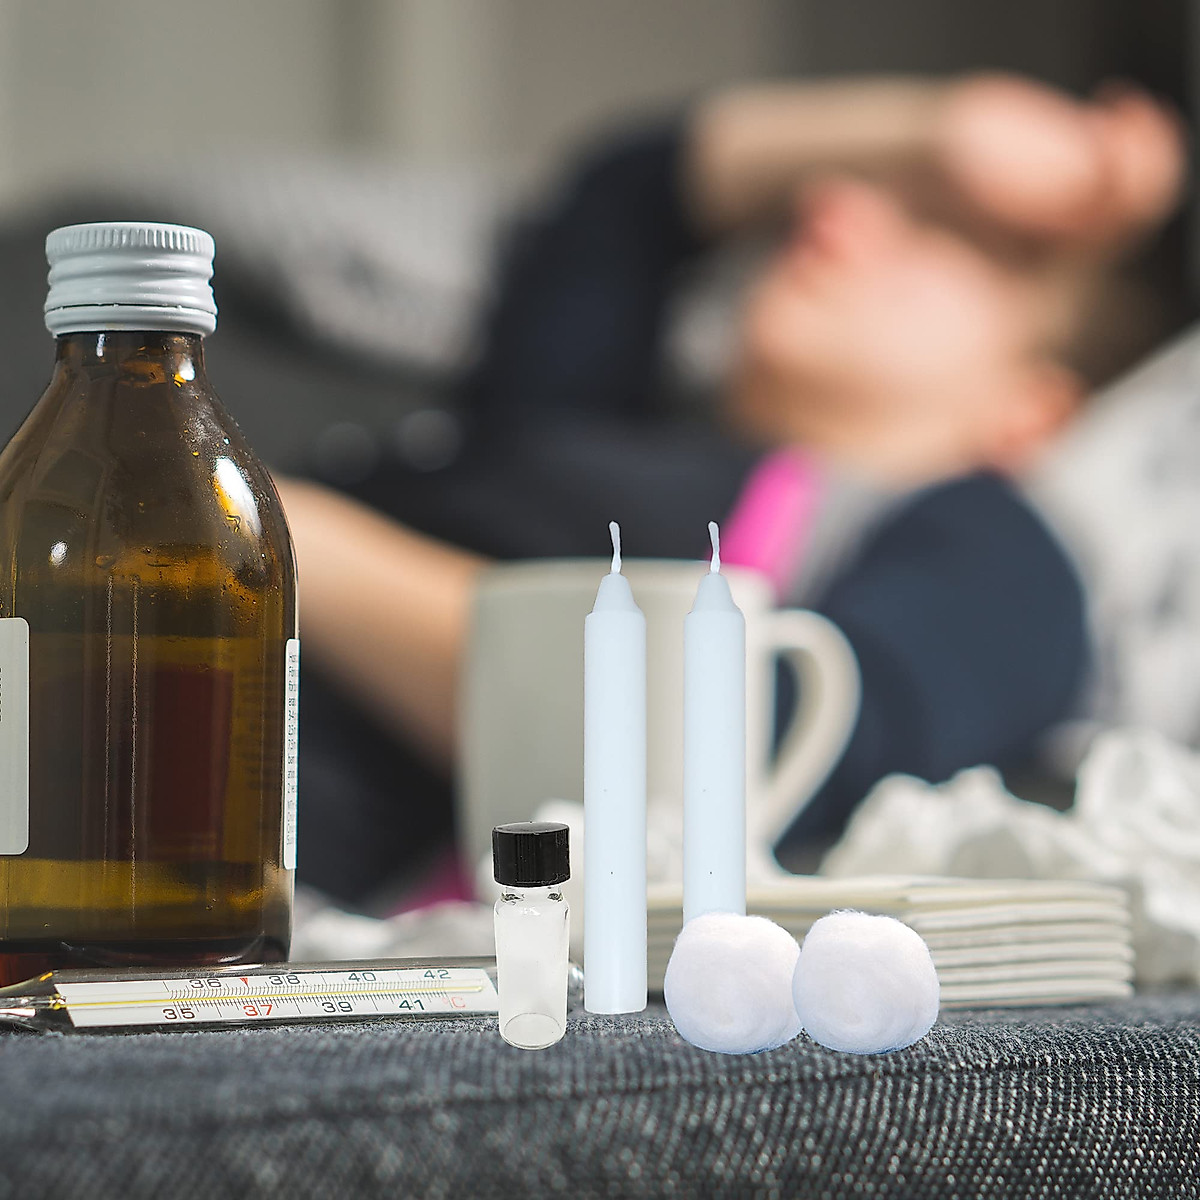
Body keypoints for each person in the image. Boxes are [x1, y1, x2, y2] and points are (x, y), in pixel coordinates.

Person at [279, 73, 1185, 903]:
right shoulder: (592, 428)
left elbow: (758, 752)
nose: (835, 210)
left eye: (940, 234)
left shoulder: (996, 546)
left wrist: (252, 526)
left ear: (1030, 410)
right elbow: (633, 190)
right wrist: (935, 134)